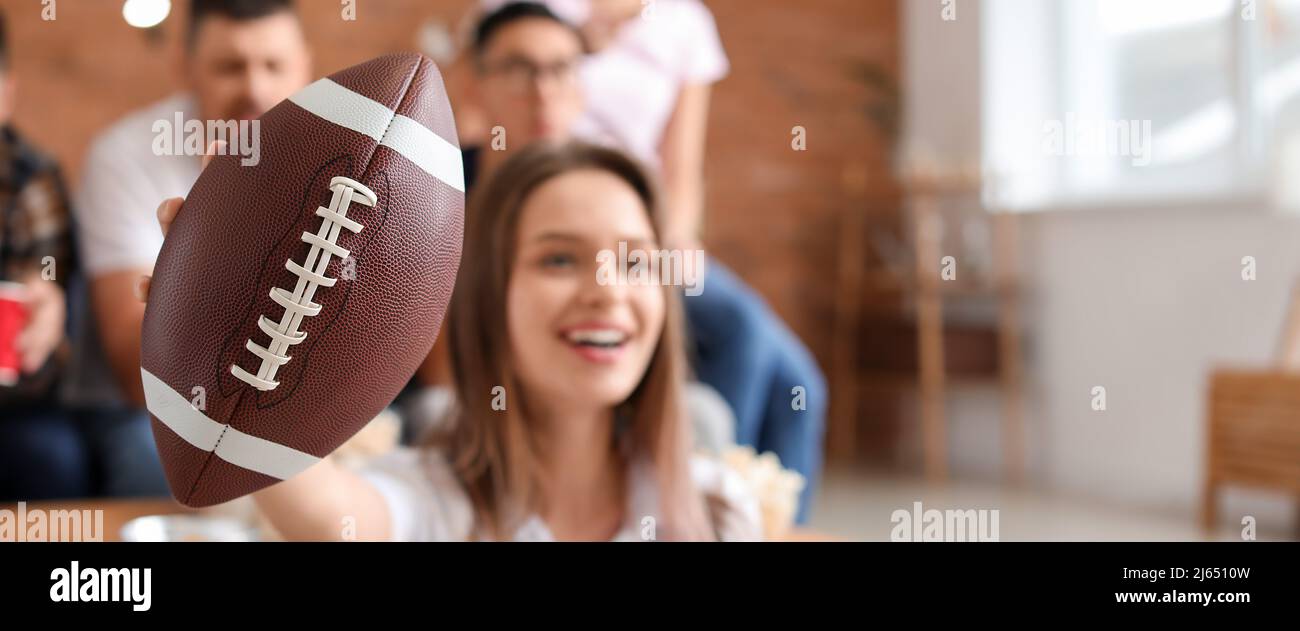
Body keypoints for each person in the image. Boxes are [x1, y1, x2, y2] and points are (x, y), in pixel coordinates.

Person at [144, 141, 762, 541]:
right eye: (559, 260)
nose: (607, 292)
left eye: (634, 263)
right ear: (489, 296)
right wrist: (219, 328)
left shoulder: (718, 510)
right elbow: (335, 523)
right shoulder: (435, 501)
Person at [478, 0, 826, 522]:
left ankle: (762, 517)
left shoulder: (686, 24)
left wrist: (665, 246)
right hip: (563, 210)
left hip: (646, 229)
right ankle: (701, 496)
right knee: (742, 329)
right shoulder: (543, 13)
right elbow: (487, 110)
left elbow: (680, 165)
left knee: (800, 385)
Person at [72, 0, 312, 409]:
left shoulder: (333, 159)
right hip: (146, 412)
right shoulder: (125, 156)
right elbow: (138, 376)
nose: (255, 89)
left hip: (284, 404)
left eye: (274, 66)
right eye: (230, 67)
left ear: (305, 67)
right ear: (184, 69)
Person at [0, 8, 87, 501]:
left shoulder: (30, 177)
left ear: (7, 93)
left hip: (16, 405)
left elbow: (44, 281)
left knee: (52, 457)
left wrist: (46, 309)